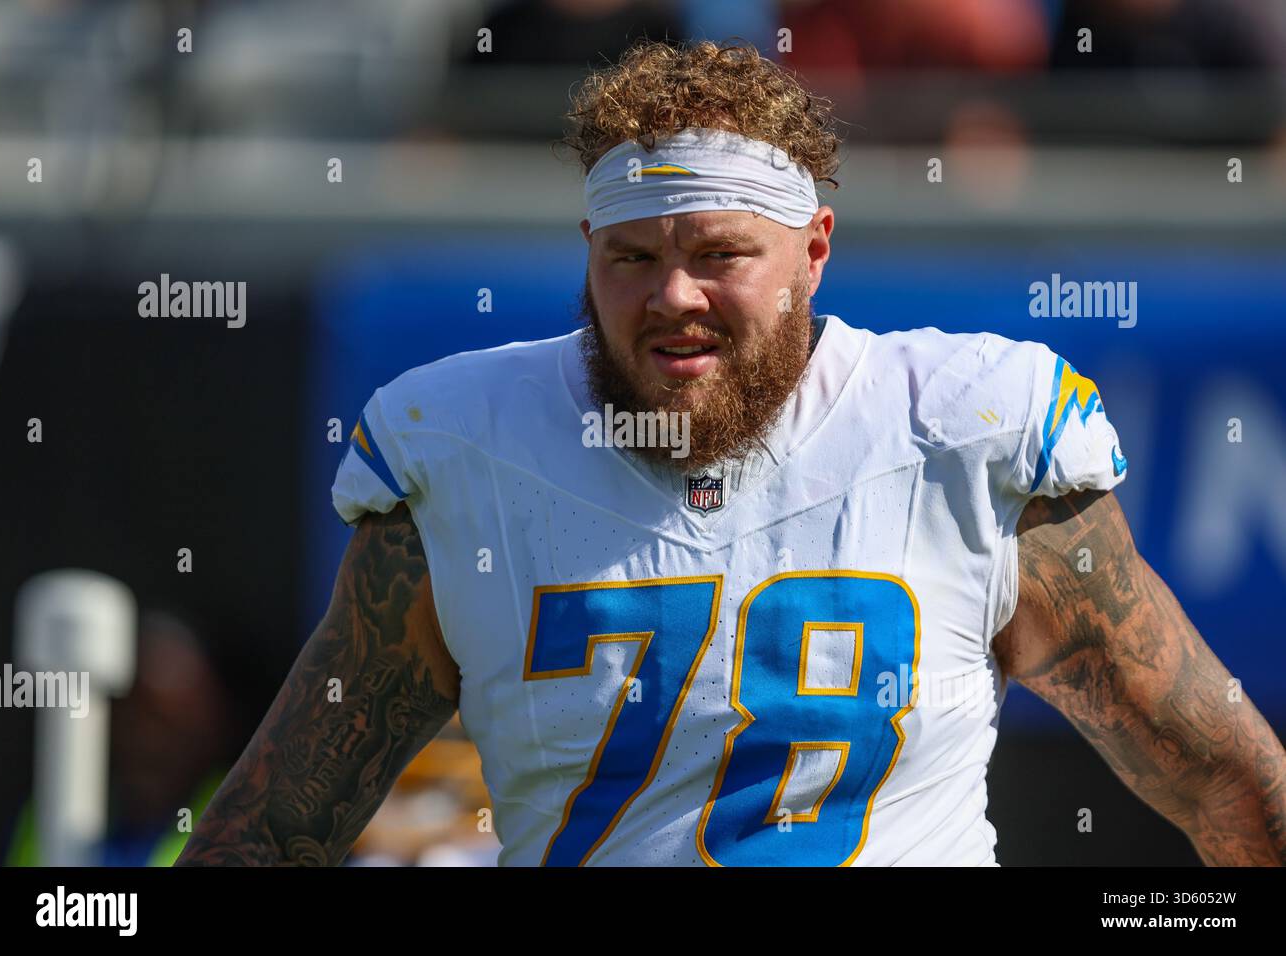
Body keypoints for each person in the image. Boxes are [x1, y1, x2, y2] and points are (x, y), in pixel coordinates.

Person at [177, 39, 1286, 867]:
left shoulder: (966, 434)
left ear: (813, 253)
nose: (672, 295)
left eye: (720, 253)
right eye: (633, 256)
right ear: (586, 253)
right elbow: (278, 824)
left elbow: (1225, 779)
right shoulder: (462, 451)